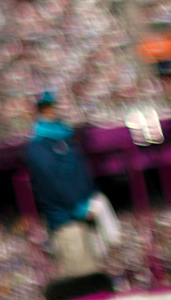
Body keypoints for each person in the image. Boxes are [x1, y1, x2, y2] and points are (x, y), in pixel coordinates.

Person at [23, 93, 113, 298]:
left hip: (85, 210)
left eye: (52, 106)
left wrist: (90, 200)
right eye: (46, 107)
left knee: (94, 266)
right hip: (65, 217)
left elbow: (81, 172)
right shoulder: (38, 146)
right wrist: (77, 206)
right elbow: (52, 181)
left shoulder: (66, 138)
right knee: (81, 272)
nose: (52, 110)